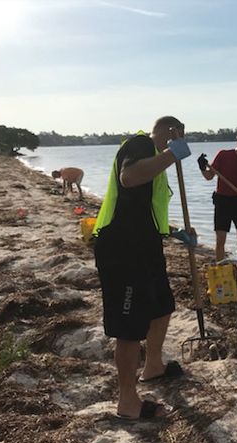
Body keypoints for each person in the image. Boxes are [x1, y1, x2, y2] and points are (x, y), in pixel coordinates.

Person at [92, 115, 197, 421]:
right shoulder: (140, 145)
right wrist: (170, 154)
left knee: (163, 306)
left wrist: (175, 232)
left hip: (146, 246)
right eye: (174, 136)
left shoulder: (156, 160)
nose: (175, 142)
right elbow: (129, 178)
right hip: (121, 249)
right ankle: (127, 401)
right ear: (167, 131)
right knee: (129, 325)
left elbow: (145, 208)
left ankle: (153, 367)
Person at [196, 132, 237, 281]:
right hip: (222, 201)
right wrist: (202, 167)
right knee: (220, 238)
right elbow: (209, 176)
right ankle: (219, 268)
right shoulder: (223, 155)